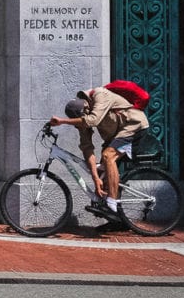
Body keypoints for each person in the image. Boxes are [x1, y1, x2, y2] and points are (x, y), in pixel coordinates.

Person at [48, 85, 150, 221]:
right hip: (115, 136)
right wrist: (96, 179)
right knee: (103, 172)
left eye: (83, 118)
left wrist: (62, 121)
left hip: (134, 126)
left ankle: (112, 202)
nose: (82, 122)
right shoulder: (82, 118)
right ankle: (117, 221)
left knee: (108, 156)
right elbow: (87, 147)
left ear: (86, 107)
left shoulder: (100, 94)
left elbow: (93, 120)